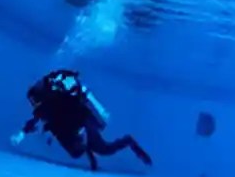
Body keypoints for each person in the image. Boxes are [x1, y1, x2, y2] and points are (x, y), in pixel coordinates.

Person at [11, 69, 152, 171]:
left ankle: (128, 141)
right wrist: (21, 134)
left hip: (82, 119)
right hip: (67, 127)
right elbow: (35, 119)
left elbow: (84, 92)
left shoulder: (54, 92)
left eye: (33, 101)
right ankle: (87, 147)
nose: (33, 104)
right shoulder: (45, 103)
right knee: (76, 153)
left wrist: (100, 109)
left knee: (103, 150)